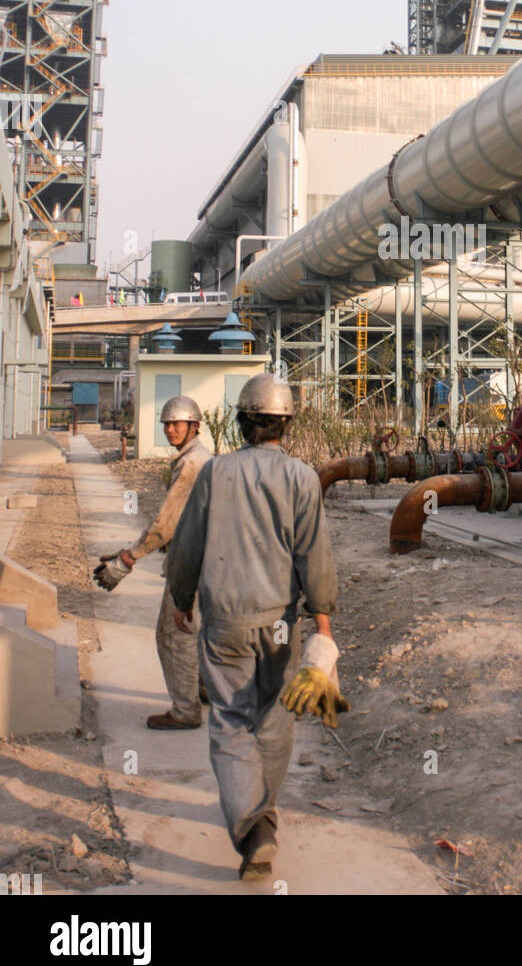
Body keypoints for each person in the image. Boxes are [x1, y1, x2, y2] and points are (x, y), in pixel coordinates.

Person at [167, 373, 342, 880]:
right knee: (274, 717)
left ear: (241, 422)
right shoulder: (303, 478)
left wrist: (182, 597)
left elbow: (188, 545)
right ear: (286, 424)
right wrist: (324, 627)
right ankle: (263, 812)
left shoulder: (215, 474)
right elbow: (316, 557)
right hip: (281, 624)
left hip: (224, 620)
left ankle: (254, 827)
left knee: (229, 720)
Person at [93, 395, 211, 730]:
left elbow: (166, 523)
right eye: (167, 424)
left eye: (177, 424)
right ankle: (203, 689)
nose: (171, 430)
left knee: (174, 635)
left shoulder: (191, 464)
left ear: (194, 426)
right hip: (201, 560)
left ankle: (185, 711)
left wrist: (129, 558)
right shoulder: (196, 458)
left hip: (190, 565)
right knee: (196, 631)